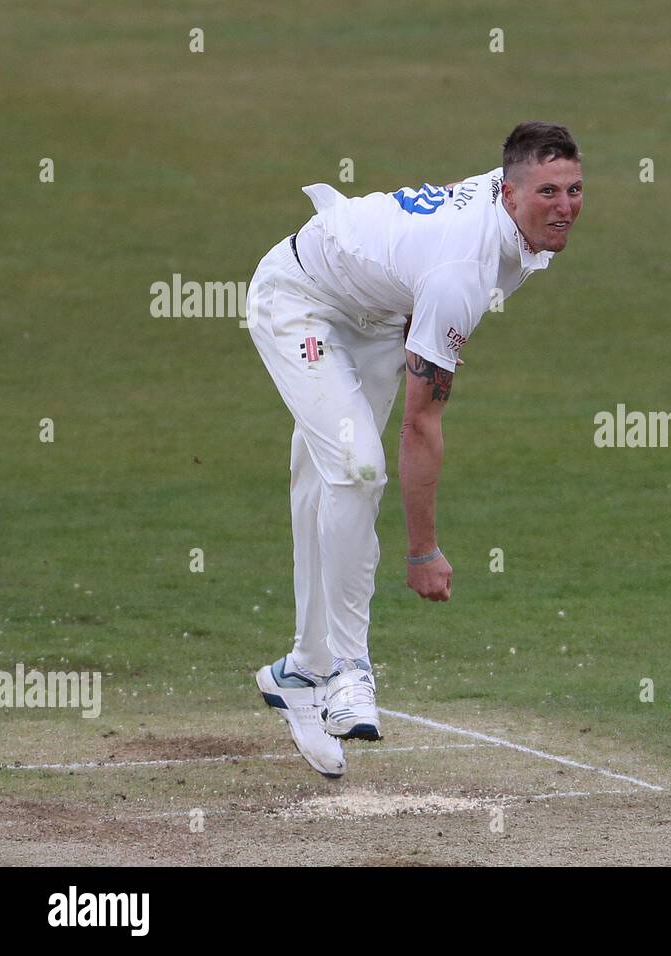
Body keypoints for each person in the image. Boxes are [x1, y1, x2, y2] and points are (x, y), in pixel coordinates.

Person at [245, 122, 583, 777]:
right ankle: (346, 668)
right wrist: (422, 551)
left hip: (377, 318)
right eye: (548, 192)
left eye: (574, 189)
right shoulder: (464, 269)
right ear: (509, 193)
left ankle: (302, 671)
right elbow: (421, 425)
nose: (564, 206)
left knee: (330, 479)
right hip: (300, 300)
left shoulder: (511, 218)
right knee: (357, 469)